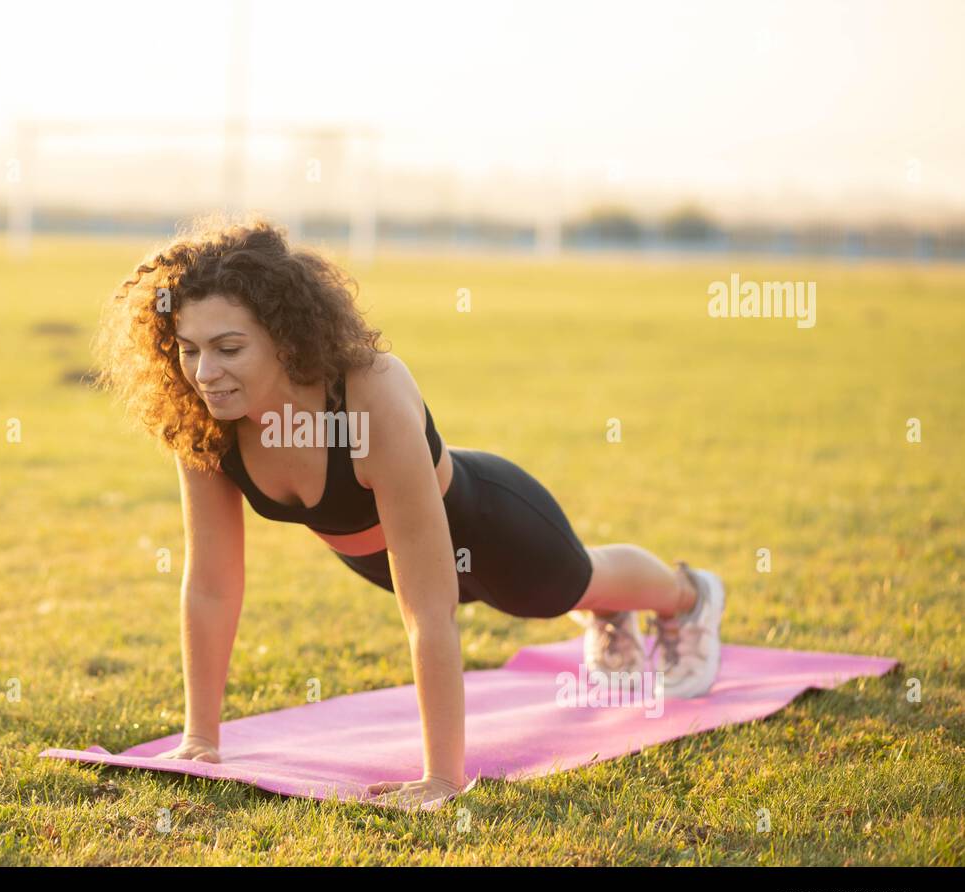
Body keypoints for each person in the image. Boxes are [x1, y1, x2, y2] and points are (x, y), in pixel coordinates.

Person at [92, 213, 726, 811]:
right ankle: (614, 611)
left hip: (494, 529)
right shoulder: (203, 419)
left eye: (229, 348)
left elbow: (429, 608)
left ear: (284, 339)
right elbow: (211, 584)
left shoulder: (368, 395)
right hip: (378, 561)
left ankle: (686, 594)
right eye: (188, 348)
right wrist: (201, 737)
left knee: (569, 585)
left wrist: (442, 778)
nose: (205, 372)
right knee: (556, 592)